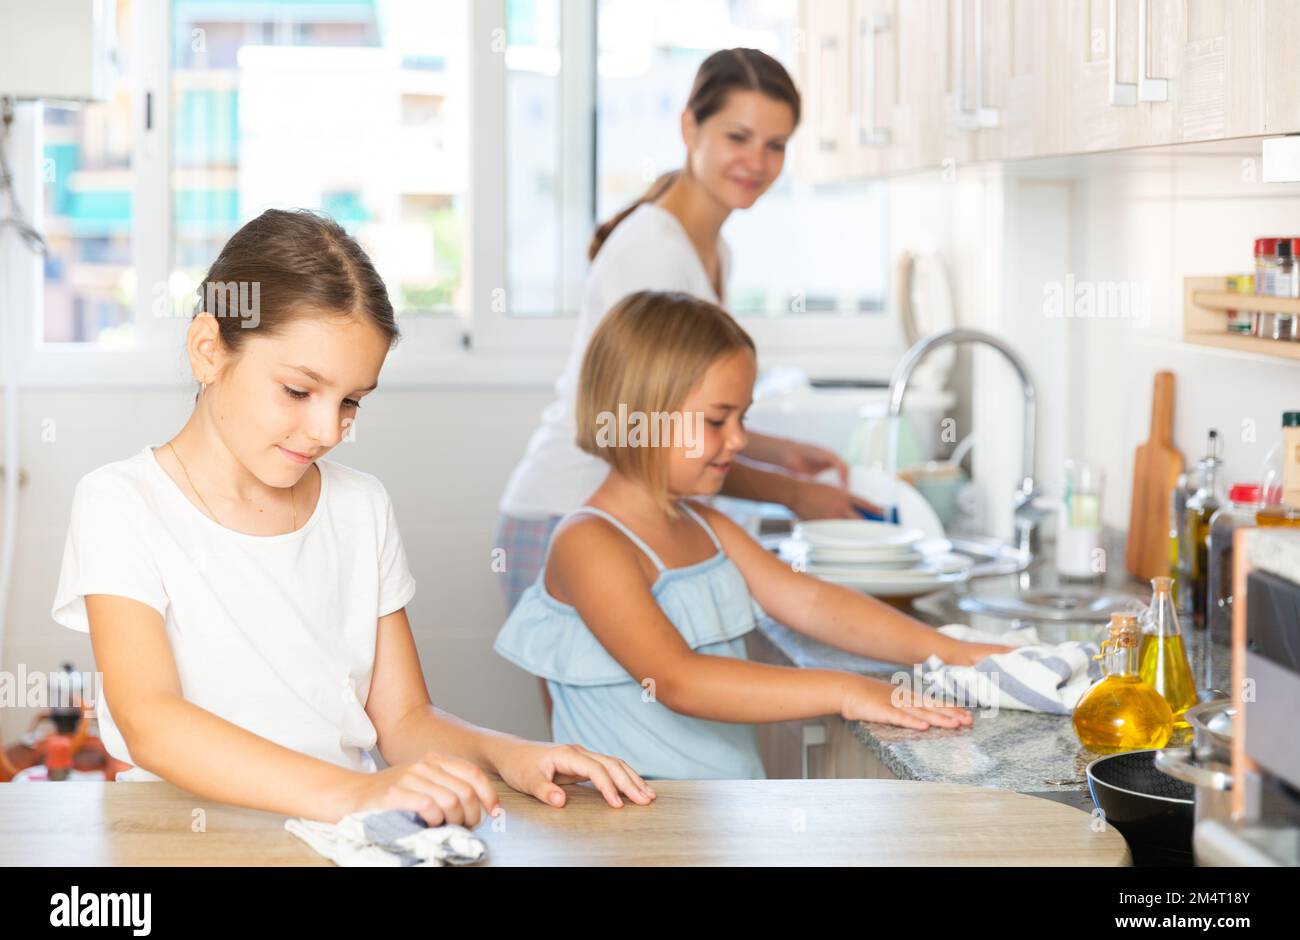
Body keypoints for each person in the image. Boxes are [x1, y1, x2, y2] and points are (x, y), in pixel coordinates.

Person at [50, 209, 654, 825]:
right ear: (209, 350)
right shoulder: (121, 502)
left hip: (339, 837)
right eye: (298, 390)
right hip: (181, 836)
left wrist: (511, 754)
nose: (326, 429)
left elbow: (403, 721)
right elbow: (151, 721)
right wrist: (353, 794)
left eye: (351, 402)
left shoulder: (360, 507)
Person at [495, 291, 1013, 780]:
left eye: (741, 418)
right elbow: (679, 680)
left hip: (710, 814)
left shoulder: (707, 525)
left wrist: (946, 648)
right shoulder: (588, 543)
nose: (739, 440)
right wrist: (846, 689)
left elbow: (811, 603)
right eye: (718, 420)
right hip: (628, 829)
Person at [496, 48, 878, 620]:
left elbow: (681, 408)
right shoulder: (654, 251)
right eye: (738, 137)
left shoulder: (712, 248)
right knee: (609, 712)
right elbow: (650, 432)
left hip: (613, 516)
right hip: (568, 512)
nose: (757, 161)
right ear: (689, 127)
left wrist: (779, 453)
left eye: (775, 145)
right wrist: (793, 493)